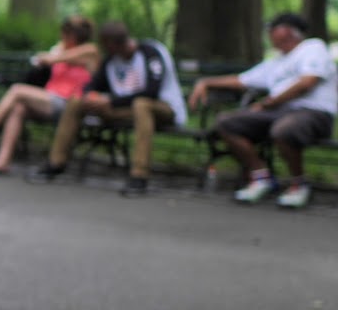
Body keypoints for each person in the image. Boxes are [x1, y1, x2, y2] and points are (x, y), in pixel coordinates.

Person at [188, 12, 337, 208]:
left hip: (313, 113)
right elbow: (241, 80)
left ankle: (299, 185)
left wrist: (271, 103)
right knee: (227, 122)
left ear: (287, 32)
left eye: (272, 29)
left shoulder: (313, 48)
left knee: (284, 129)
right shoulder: (276, 61)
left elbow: (307, 82)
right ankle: (261, 176)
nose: (269, 33)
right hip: (277, 113)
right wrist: (206, 82)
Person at [29, 21, 187, 196]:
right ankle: (55, 163)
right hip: (125, 110)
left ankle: (139, 176)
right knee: (77, 101)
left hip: (163, 109)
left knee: (141, 104)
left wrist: (111, 101)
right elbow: (93, 84)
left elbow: (152, 92)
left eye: (107, 47)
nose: (105, 51)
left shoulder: (151, 53)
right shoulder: (111, 59)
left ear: (115, 44)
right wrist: (90, 96)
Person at [0, 15, 99, 175]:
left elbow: (51, 59)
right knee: (18, 108)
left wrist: (53, 55)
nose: (61, 37)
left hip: (70, 104)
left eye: (64, 34)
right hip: (49, 99)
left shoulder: (90, 51)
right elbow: (46, 60)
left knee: (17, 90)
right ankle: (2, 161)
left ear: (72, 35)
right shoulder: (63, 50)